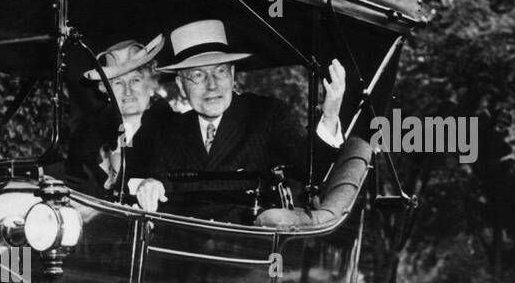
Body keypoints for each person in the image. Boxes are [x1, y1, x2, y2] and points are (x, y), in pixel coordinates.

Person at [131, 20, 347, 213]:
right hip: (182, 252)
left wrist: (329, 116)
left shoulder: (268, 115)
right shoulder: (168, 132)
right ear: (180, 85)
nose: (212, 84)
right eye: (198, 75)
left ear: (232, 74)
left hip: (250, 252)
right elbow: (154, 179)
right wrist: (149, 185)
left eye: (220, 71)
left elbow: (310, 171)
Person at [59, 35, 179, 198]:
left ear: (150, 84)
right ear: (106, 91)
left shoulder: (175, 129)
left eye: (135, 80)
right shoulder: (88, 134)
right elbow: (74, 183)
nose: (127, 91)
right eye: (118, 83)